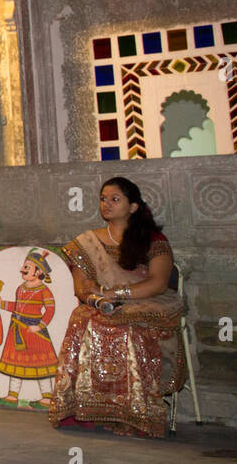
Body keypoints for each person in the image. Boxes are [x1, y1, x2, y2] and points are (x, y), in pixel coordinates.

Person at [49, 177, 185, 437]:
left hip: (146, 302)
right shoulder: (87, 241)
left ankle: (134, 413)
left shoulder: (153, 240)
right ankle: (84, 410)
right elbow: (81, 287)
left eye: (115, 199)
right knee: (81, 318)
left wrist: (115, 293)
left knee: (128, 327)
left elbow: (158, 284)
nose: (106, 204)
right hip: (103, 304)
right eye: (103, 199)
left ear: (133, 206)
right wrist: (98, 300)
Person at [0, 248, 58, 407]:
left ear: (38, 271)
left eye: (27, 267)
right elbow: (18, 307)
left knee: (41, 365)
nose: (22, 269)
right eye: (23, 266)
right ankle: (12, 397)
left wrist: (39, 326)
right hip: (17, 330)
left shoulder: (44, 291)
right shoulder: (21, 288)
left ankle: (47, 398)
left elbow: (50, 310)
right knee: (15, 364)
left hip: (34, 331)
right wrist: (0, 302)